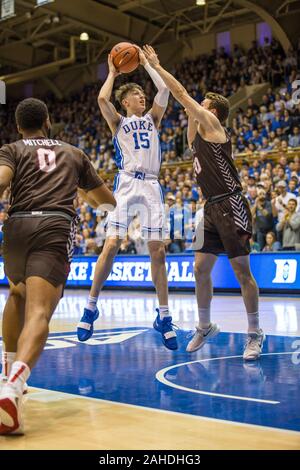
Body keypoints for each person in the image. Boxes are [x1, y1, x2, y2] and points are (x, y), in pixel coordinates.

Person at [0, 98, 116, 435]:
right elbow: (106, 201)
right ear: (48, 120)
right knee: (39, 312)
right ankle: (14, 386)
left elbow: (2, 181)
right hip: (54, 226)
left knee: (17, 296)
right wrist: (82, 191)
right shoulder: (73, 153)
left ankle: (6, 375)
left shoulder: (13, 148)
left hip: (16, 227)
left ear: (20, 126)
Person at [143, 44, 264, 360]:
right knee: (200, 268)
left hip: (232, 204)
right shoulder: (195, 137)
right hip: (210, 207)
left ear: (212, 112)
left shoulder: (214, 126)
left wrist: (156, 66)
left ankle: (254, 333)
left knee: (242, 272)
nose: (196, 106)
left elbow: (182, 95)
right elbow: (186, 112)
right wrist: (186, 111)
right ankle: (205, 325)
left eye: (203, 104)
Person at [76, 50, 178, 350]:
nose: (142, 97)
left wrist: (147, 65)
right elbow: (102, 101)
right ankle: (91, 307)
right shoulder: (118, 122)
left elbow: (163, 89)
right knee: (111, 245)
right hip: (127, 183)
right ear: (126, 102)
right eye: (136, 95)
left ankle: (164, 315)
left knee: (158, 252)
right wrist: (112, 73)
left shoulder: (153, 119)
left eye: (142, 95)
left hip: (152, 186)